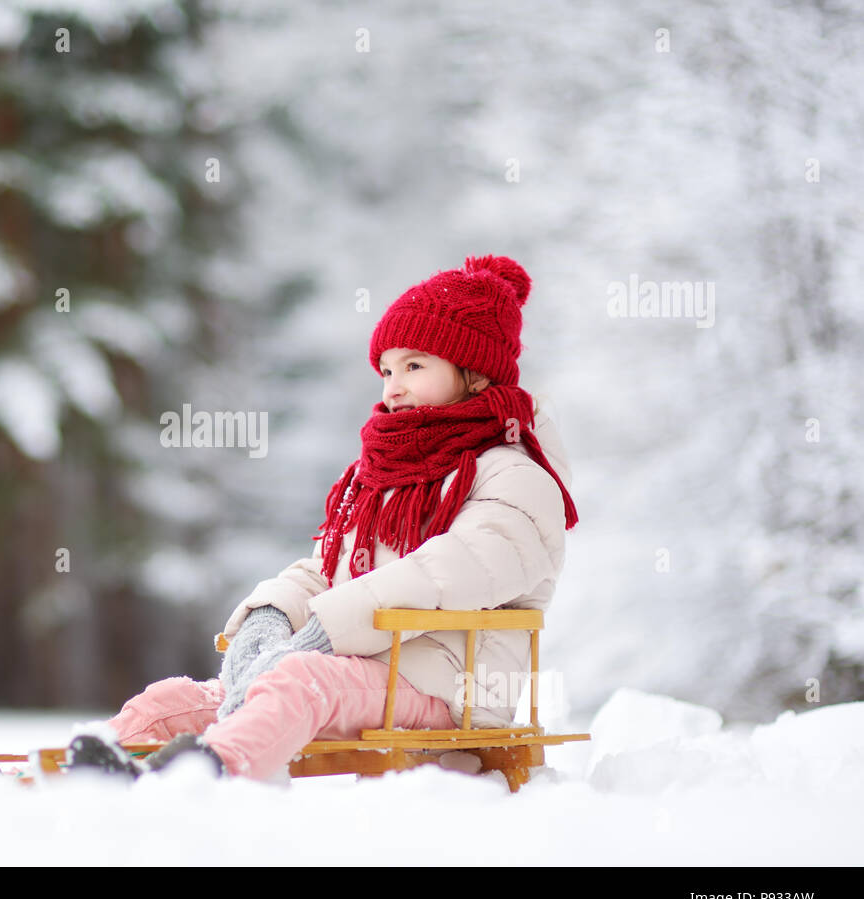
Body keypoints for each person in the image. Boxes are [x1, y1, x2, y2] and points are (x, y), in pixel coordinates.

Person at [67, 254, 579, 783]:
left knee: (300, 681)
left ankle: (203, 773)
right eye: (386, 370)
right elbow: (328, 565)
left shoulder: (515, 478)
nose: (392, 388)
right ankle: (78, 770)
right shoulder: (388, 473)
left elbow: (448, 572)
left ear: (474, 373)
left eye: (414, 366)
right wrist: (271, 616)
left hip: (448, 686)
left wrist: (322, 633)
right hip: (365, 668)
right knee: (175, 700)